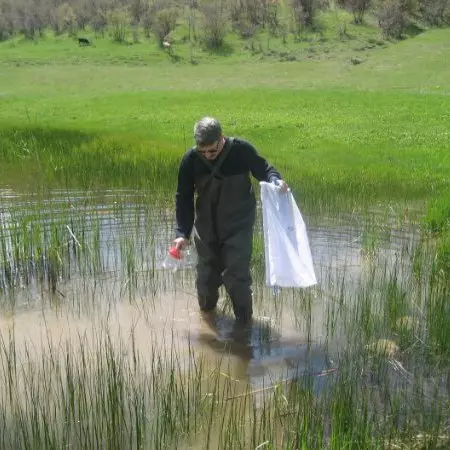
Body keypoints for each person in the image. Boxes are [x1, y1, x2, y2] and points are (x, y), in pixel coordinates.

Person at [172, 117, 288, 324]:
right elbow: (183, 198)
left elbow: (264, 169)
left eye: (212, 151)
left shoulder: (241, 151)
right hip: (206, 228)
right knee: (206, 278)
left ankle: (244, 327)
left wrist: (275, 180)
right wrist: (182, 234)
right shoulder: (190, 160)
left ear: (221, 139)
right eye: (203, 151)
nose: (208, 155)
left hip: (238, 227)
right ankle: (208, 321)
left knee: (237, 277)